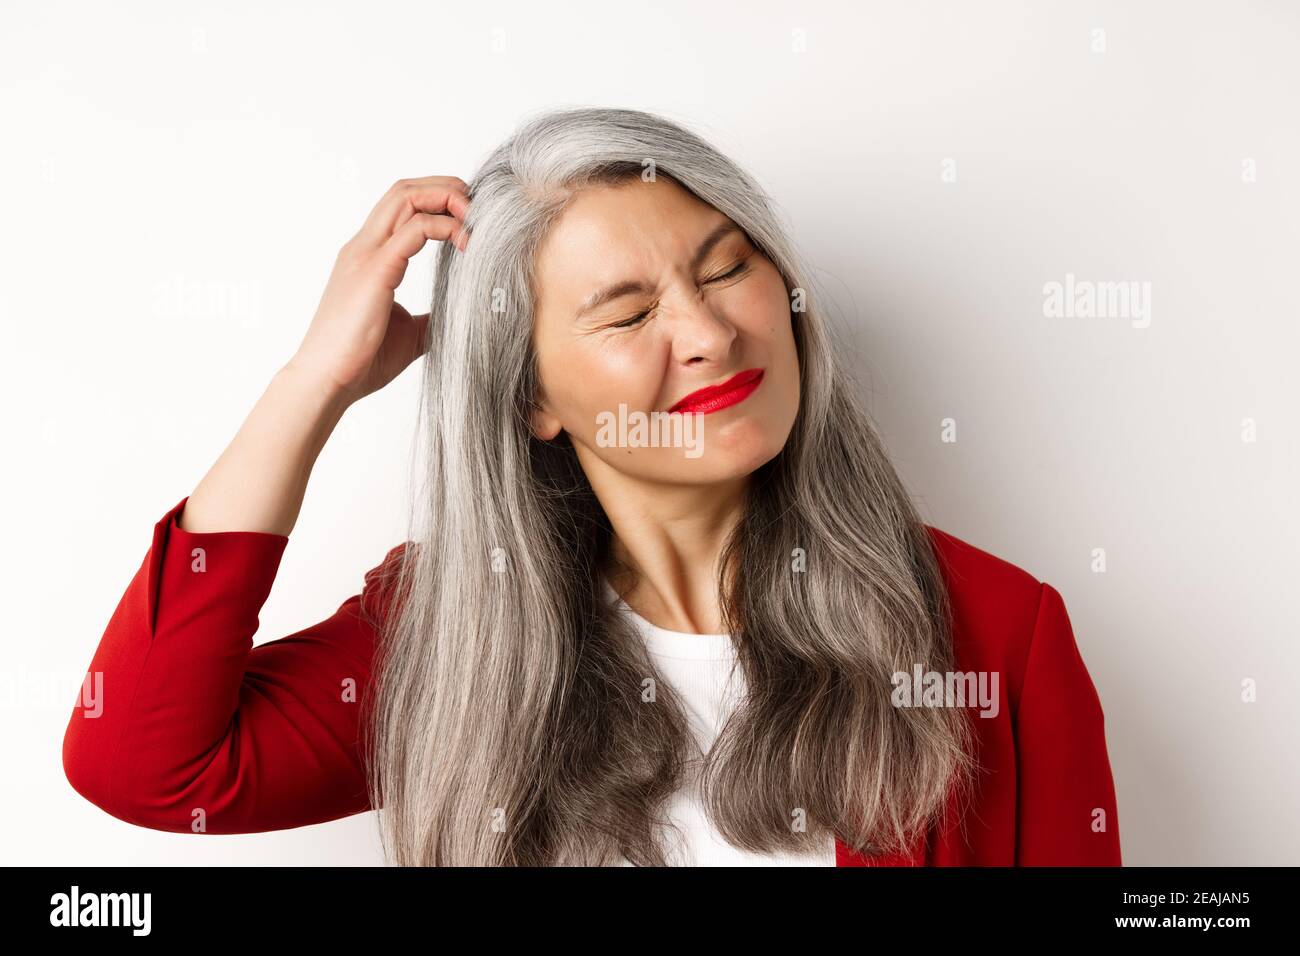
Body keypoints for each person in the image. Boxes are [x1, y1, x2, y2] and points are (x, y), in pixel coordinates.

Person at [62, 107, 1121, 867]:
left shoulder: (991, 627)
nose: (709, 334)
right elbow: (150, 762)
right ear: (533, 398)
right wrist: (317, 380)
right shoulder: (456, 635)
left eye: (724, 268)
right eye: (625, 314)